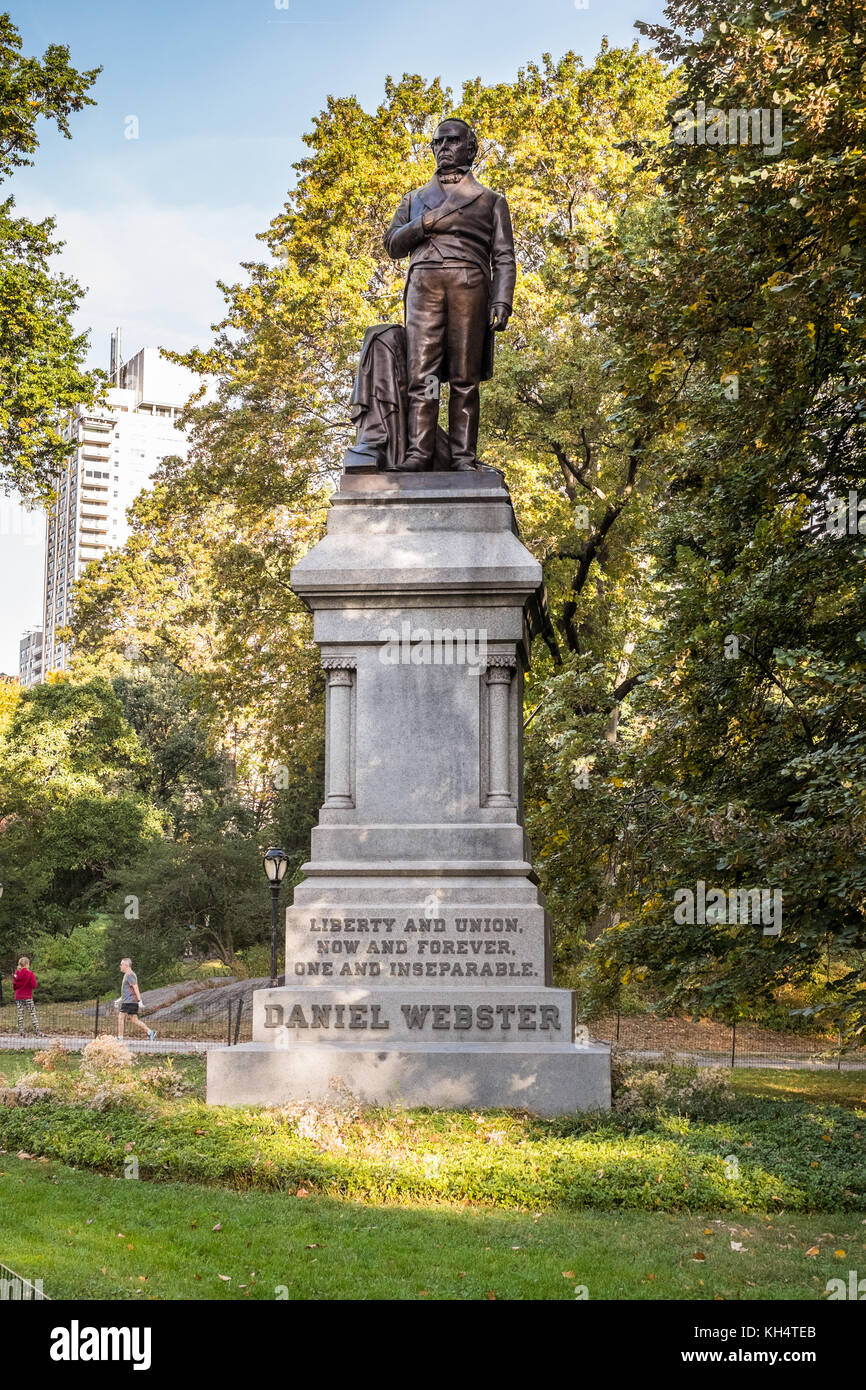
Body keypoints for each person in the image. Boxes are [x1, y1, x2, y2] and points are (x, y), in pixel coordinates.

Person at [384, 117, 516, 472]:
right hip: (423, 286)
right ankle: (419, 453)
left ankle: (462, 457)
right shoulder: (413, 200)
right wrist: (423, 224)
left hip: (470, 288)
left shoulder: (491, 200)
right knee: (422, 375)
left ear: (470, 148)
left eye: (452, 141)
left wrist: (502, 301)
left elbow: (503, 256)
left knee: (463, 377)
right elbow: (392, 245)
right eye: (437, 143)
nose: (443, 148)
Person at [117, 958, 156, 1042]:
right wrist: (120, 999)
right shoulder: (127, 974)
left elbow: (135, 987)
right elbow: (128, 989)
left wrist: (140, 1000)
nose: (120, 966)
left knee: (120, 1017)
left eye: (121, 964)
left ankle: (120, 1038)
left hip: (129, 1001)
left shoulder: (130, 975)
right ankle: (150, 1032)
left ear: (126, 965)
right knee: (134, 1019)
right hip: (129, 1000)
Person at [13, 957, 42, 1037]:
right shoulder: (30, 974)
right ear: (26, 964)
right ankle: (37, 1031)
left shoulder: (16, 973)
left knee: (20, 1014)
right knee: (32, 1013)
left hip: (18, 996)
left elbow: (14, 986)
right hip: (27, 996)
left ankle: (21, 1031)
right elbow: (34, 985)